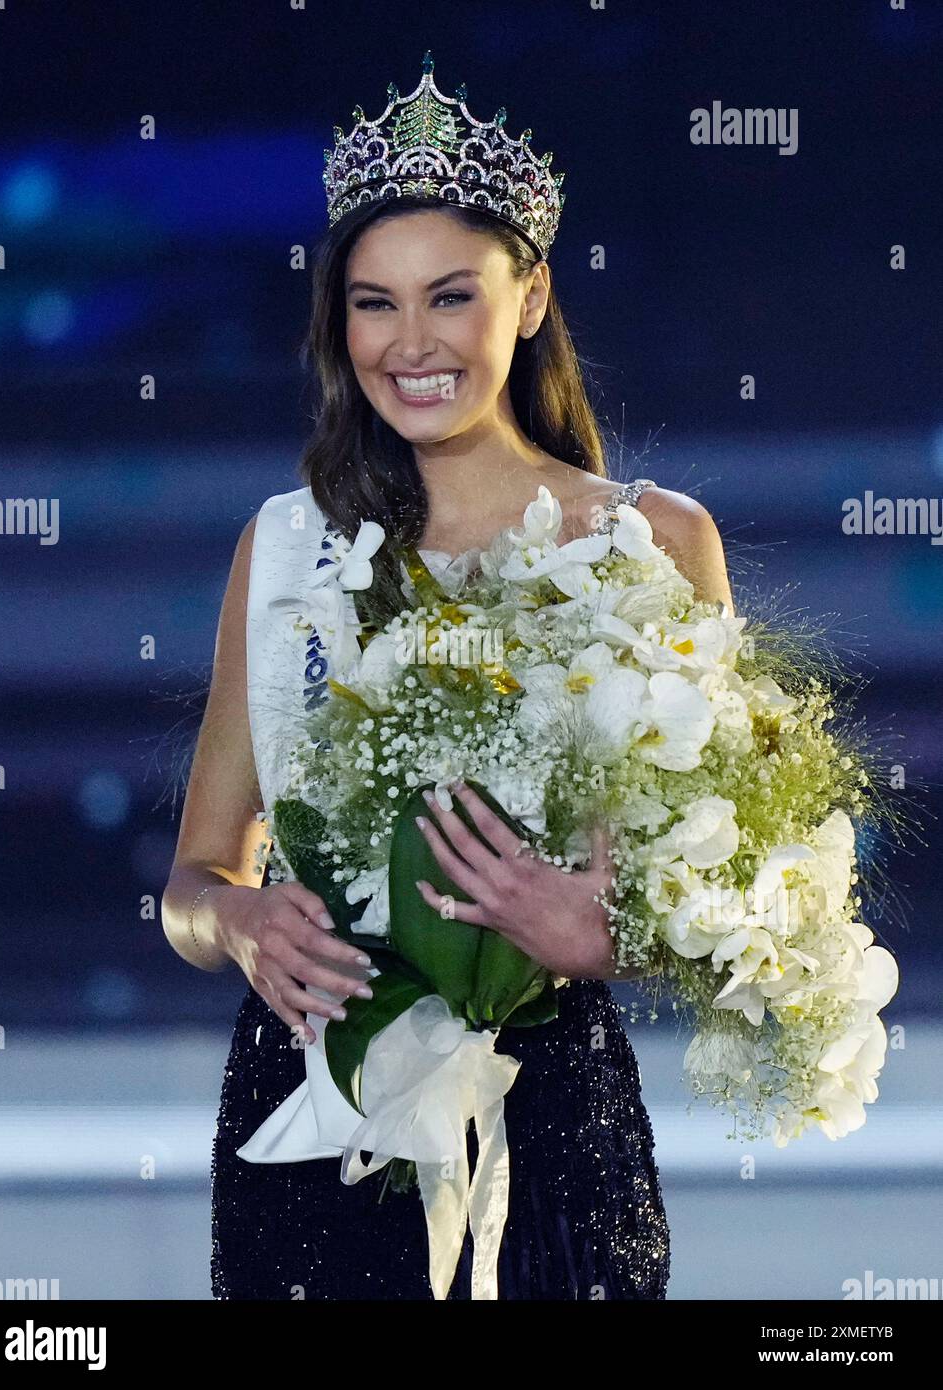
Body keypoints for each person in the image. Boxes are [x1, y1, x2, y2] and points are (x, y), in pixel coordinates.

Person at [161, 52, 733, 1300]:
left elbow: (728, 913)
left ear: (528, 300)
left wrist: (607, 932)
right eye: (373, 304)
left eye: (449, 298)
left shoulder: (653, 545)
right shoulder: (287, 546)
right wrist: (244, 920)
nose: (408, 343)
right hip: (316, 1104)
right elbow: (193, 882)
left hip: (554, 1117)